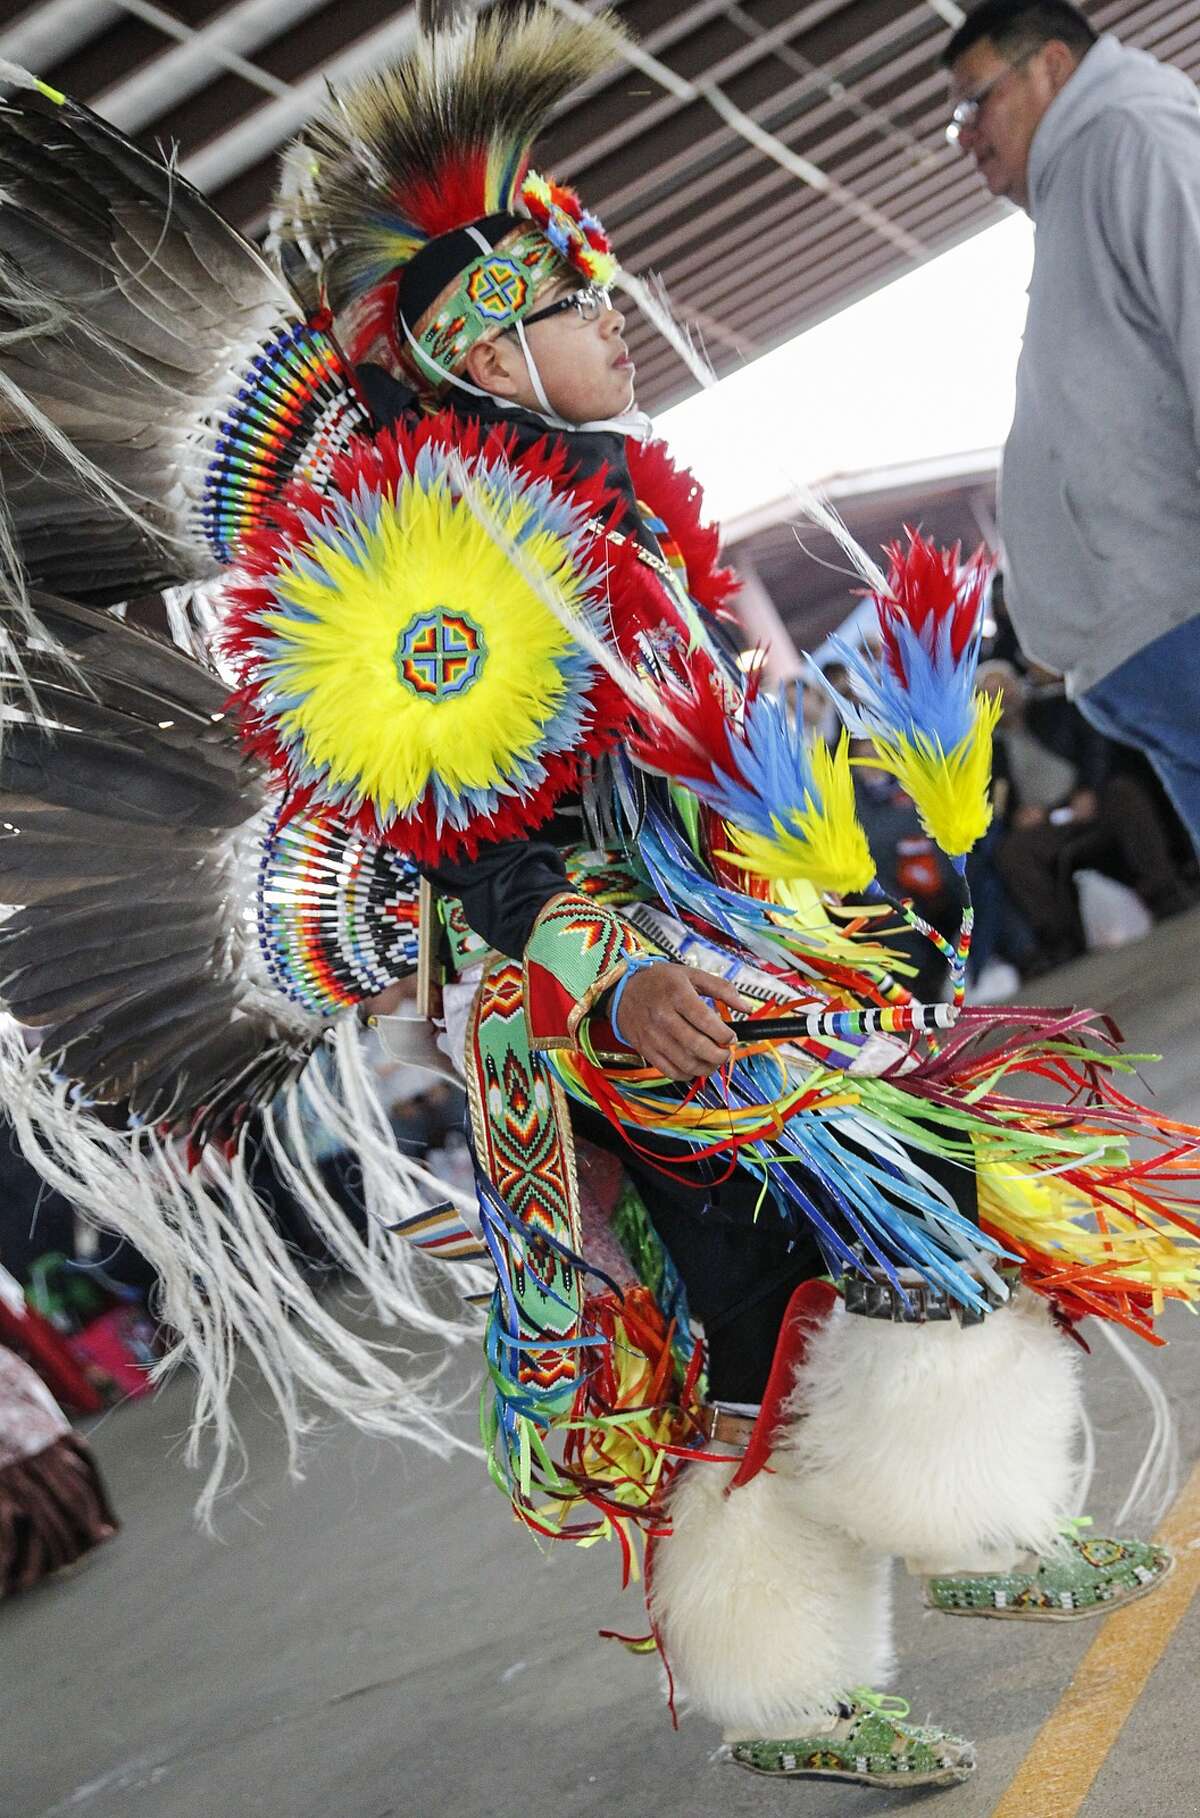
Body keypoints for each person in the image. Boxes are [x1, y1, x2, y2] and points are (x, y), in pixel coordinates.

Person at [0, 8, 1194, 1793]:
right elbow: (481, 845)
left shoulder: (610, 500)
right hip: (606, 1005)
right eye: (571, 296)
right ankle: (788, 1681)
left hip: (729, 960)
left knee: (896, 1218)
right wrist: (623, 982)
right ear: (482, 338)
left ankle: (973, 1518)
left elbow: (678, 758)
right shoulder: (427, 565)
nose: (611, 311)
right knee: (755, 1307)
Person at [943, 0, 1200, 856]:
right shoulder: (1081, 180)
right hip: (1150, 634)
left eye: (976, 102)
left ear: (1052, 65)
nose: (966, 135)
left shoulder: (1135, 136)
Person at [980, 660, 1197, 964]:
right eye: (990, 693)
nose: (1001, 697)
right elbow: (993, 799)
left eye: (1004, 687)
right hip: (1045, 821)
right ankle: (1060, 937)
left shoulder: (1055, 709)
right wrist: (1014, 816)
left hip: (1085, 797)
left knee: (1125, 794)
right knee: (1011, 852)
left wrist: (1089, 789)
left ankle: (1164, 888)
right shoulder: (988, 750)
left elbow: (1095, 747)